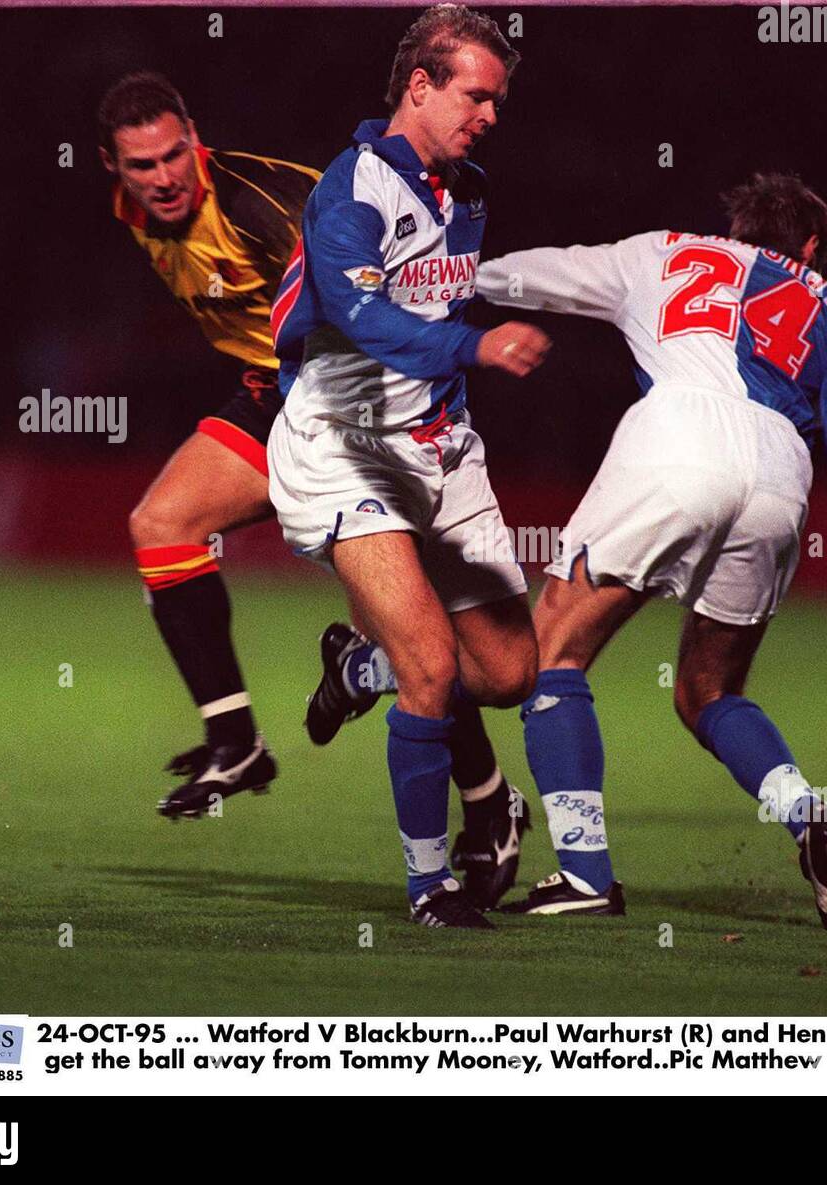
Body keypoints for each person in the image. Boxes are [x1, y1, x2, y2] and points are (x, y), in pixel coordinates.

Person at [476, 173, 827, 929]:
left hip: (677, 442)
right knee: (709, 692)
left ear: (737, 227)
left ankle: (585, 871)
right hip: (780, 475)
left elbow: (525, 275)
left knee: (548, 650)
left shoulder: (663, 251)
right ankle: (808, 815)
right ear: (812, 247)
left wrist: (436, 278)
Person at [268, 5, 551, 927]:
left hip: (436, 446)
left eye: (498, 99)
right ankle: (431, 886)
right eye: (478, 95)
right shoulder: (350, 187)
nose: (492, 115)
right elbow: (361, 320)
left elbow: (440, 299)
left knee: (509, 672)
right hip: (345, 449)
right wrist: (474, 348)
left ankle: (360, 670)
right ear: (419, 88)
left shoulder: (466, 190)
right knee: (431, 664)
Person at [100, 71, 322, 817]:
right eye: (142, 164)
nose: (163, 178)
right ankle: (236, 740)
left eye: (174, 155)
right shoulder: (133, 210)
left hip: (349, 394)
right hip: (273, 389)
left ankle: (490, 806)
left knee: (420, 641)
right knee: (161, 527)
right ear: (113, 167)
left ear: (194, 138)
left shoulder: (255, 204)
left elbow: (363, 289)